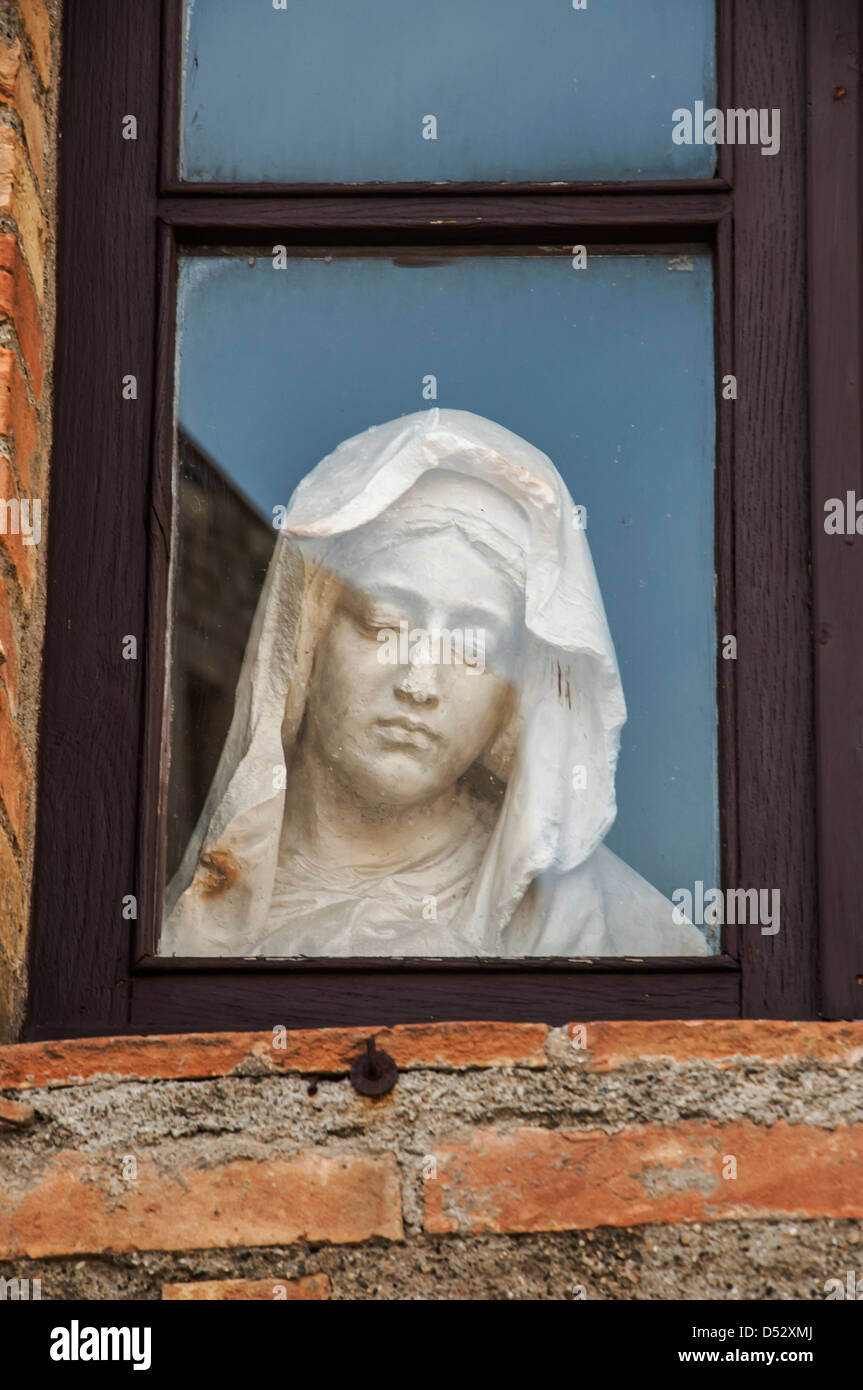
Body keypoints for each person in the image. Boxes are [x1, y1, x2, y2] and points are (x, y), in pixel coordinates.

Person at [162, 408, 707, 958]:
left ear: (513, 702)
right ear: (309, 643)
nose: (419, 683)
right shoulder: (184, 929)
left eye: (472, 648)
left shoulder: (615, 932)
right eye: (382, 626)